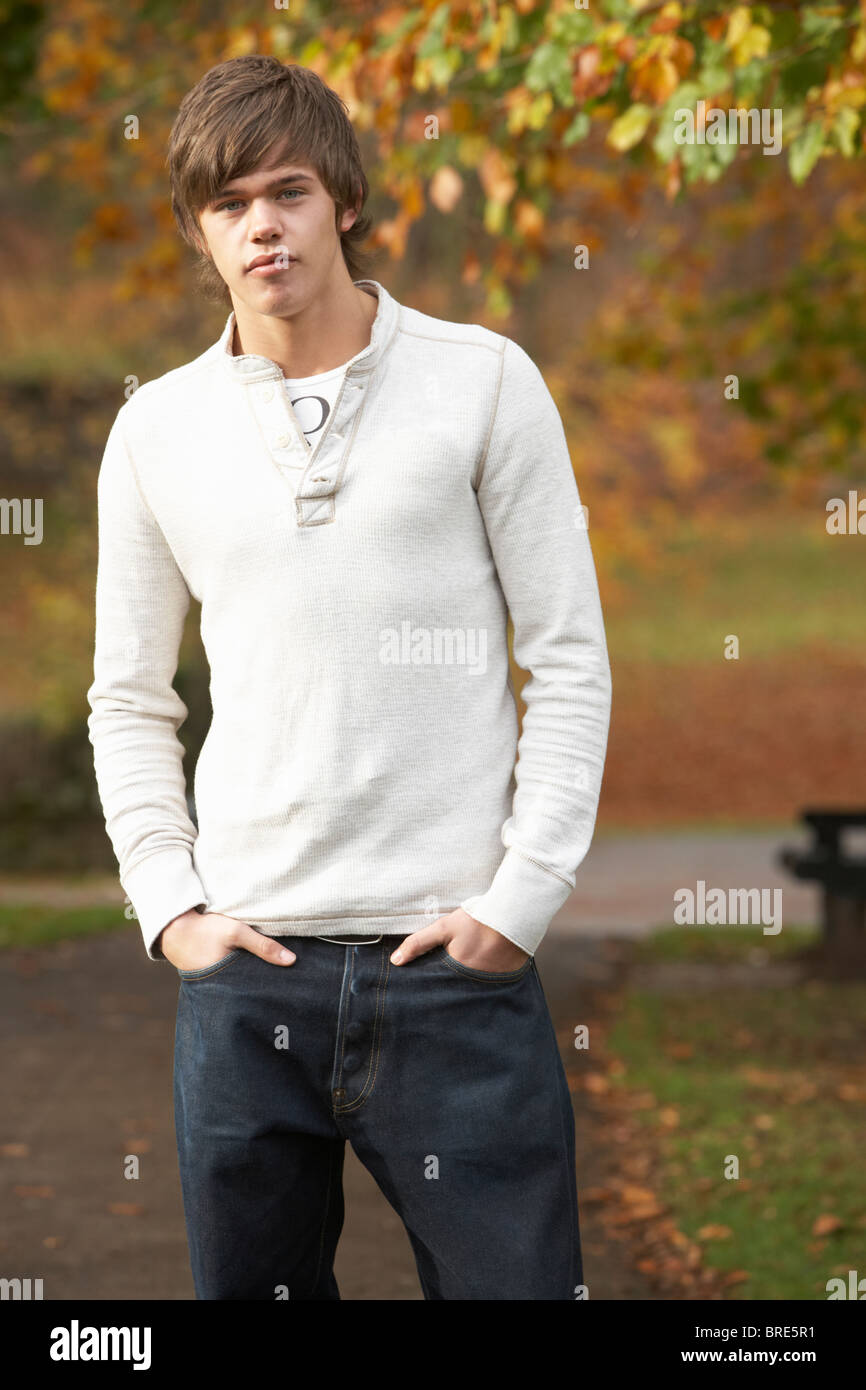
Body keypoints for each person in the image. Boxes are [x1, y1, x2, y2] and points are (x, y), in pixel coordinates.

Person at [86, 54, 612, 1301]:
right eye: (229, 205)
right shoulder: (155, 429)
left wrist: (515, 904)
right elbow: (130, 698)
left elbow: (568, 661)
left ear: (344, 203)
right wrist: (170, 908)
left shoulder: (484, 382)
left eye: (287, 192)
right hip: (244, 980)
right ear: (198, 231)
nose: (261, 225)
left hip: (453, 974)